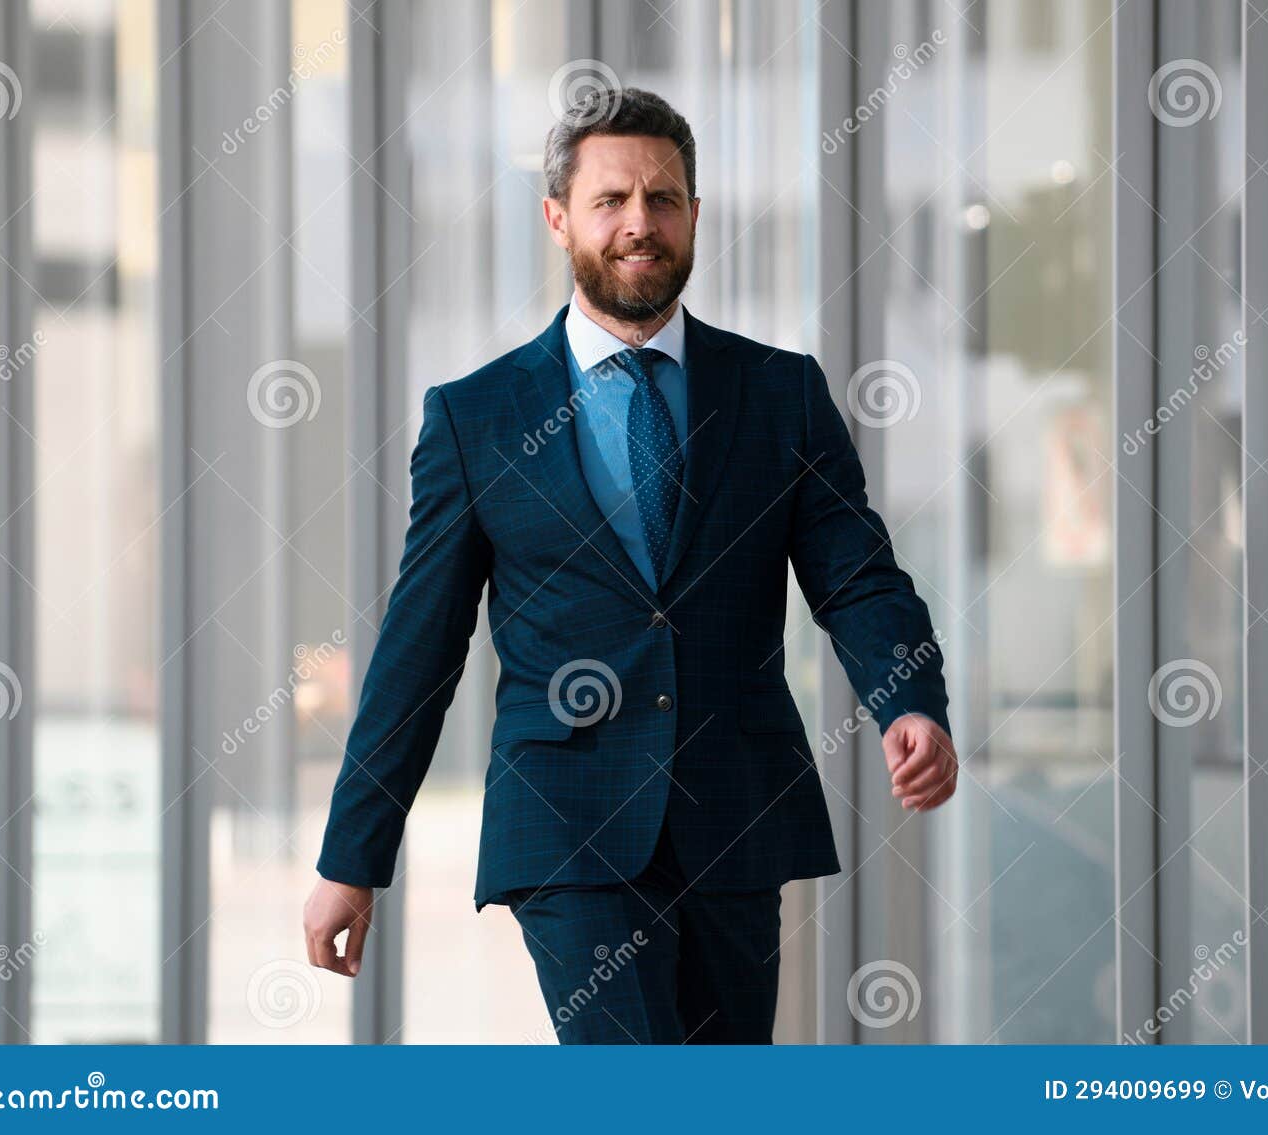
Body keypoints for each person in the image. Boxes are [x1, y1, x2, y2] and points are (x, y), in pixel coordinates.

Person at [304, 86, 957, 1043]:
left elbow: (857, 575)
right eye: (610, 200)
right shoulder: (477, 417)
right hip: (567, 827)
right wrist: (351, 856)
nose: (638, 223)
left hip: (734, 815)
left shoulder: (778, 392)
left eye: (662, 199)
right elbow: (420, 646)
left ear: (695, 214)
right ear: (558, 218)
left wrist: (909, 698)